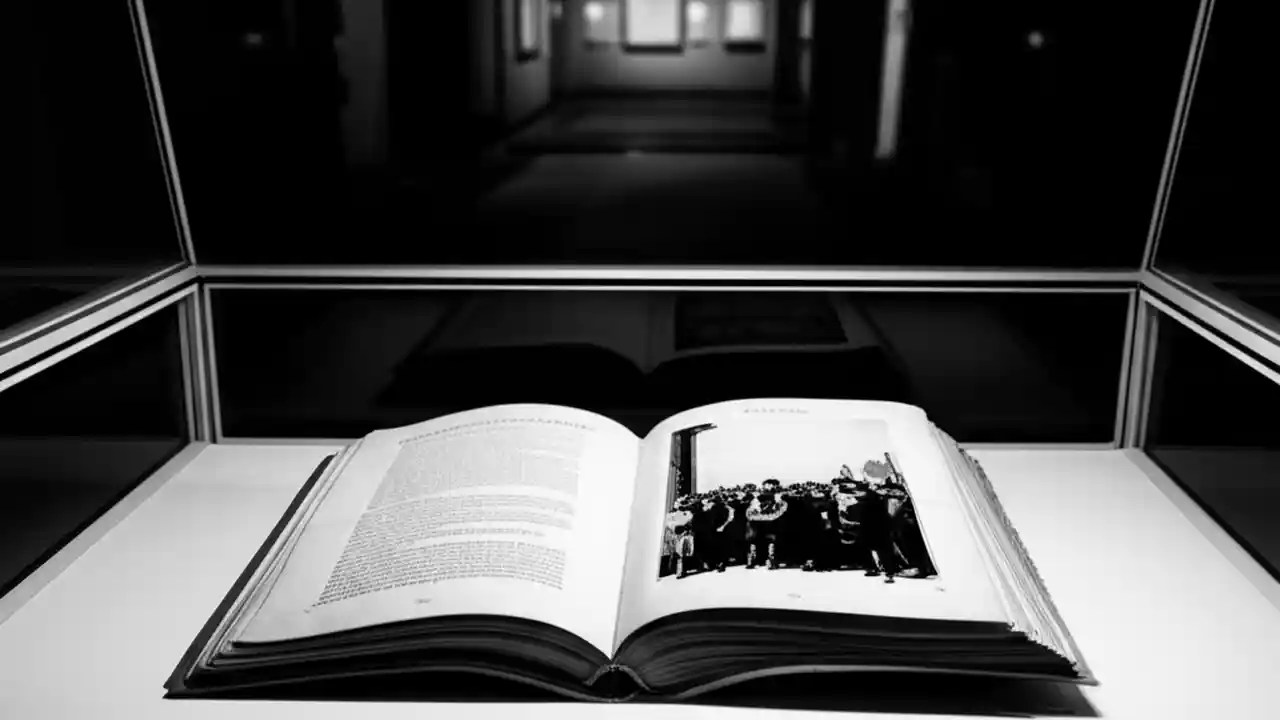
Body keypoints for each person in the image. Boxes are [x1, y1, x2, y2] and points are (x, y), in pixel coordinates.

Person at [746, 479, 788, 569]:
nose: (769, 487)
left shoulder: (778, 498)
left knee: (771, 539)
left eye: (771, 485)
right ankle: (754, 559)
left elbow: (781, 509)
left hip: (770, 522)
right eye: (767, 485)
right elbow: (750, 511)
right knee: (756, 539)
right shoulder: (757, 498)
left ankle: (770, 560)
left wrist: (759, 516)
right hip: (762, 522)